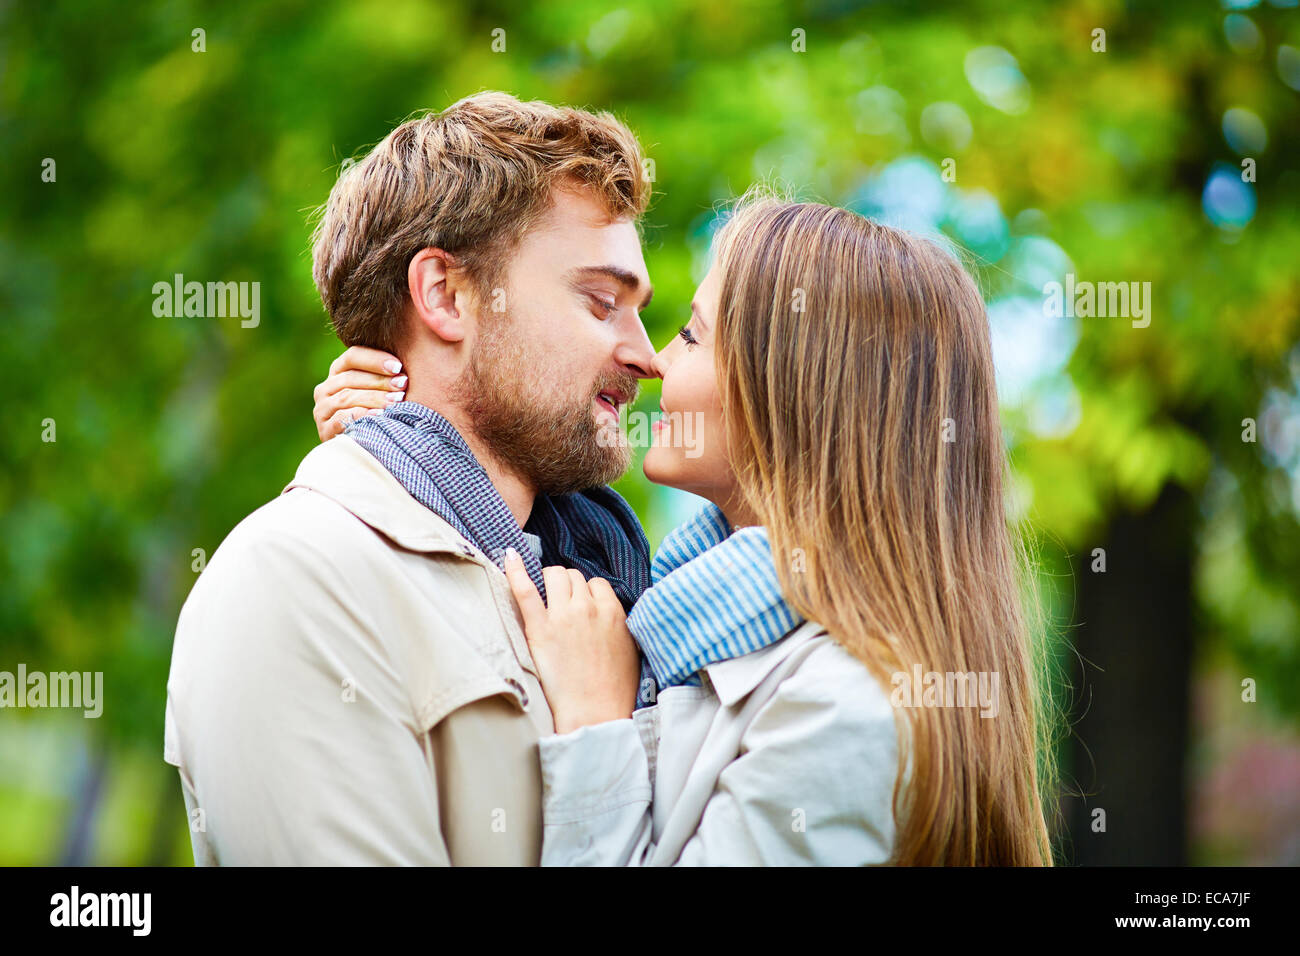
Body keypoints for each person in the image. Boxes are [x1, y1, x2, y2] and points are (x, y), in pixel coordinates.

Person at [316, 191, 1058, 865]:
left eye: (692, 337)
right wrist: (407, 448)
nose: (653, 361)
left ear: (793, 392)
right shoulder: (699, 625)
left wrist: (594, 731)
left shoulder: (843, 713)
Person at [163, 91, 662, 865]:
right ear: (444, 296)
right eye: (601, 302)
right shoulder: (299, 581)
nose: (646, 356)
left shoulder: (604, 591)